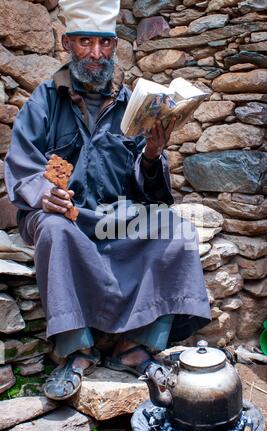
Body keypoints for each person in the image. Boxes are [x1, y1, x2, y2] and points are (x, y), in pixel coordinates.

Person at [4, 0, 211, 401]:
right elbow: (22, 167)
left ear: (115, 46)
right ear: (67, 43)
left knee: (173, 230)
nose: (96, 54)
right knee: (56, 232)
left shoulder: (132, 102)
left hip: (110, 216)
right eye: (85, 42)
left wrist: (152, 154)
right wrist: (47, 195)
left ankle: (133, 346)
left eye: (104, 44)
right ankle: (76, 352)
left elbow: (148, 190)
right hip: (60, 214)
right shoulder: (44, 102)